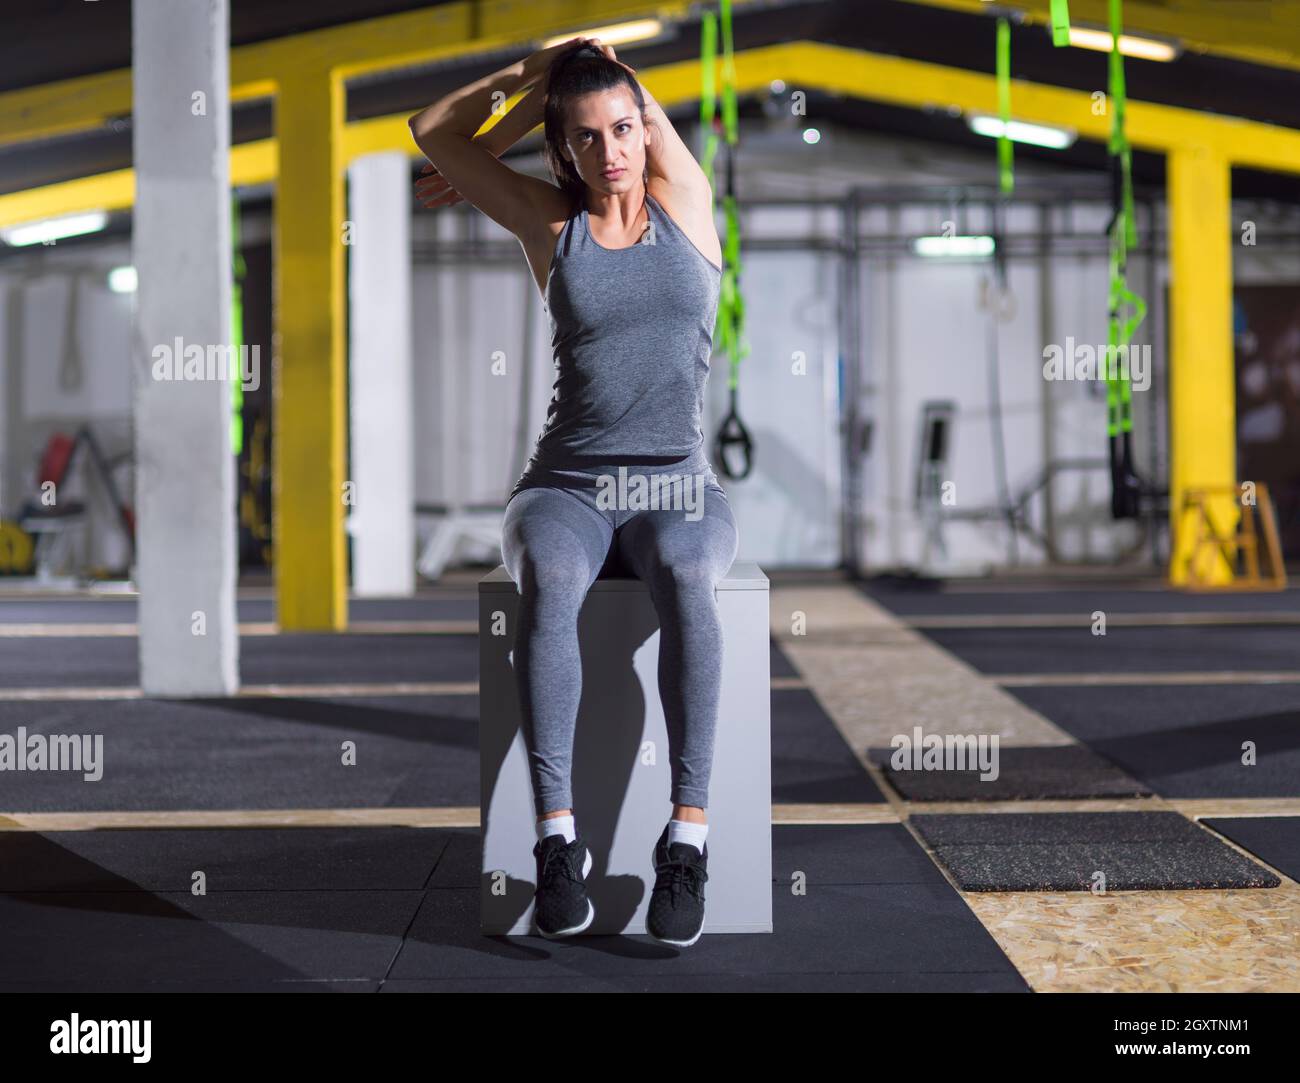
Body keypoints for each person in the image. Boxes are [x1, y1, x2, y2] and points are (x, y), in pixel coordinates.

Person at [409, 36, 738, 948]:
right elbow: (431, 129)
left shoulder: (689, 204)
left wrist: (582, 59)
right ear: (564, 148)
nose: (611, 150)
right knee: (551, 582)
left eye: (624, 128)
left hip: (676, 486)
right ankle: (556, 841)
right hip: (569, 484)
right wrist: (525, 73)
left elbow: (627, 94)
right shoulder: (549, 226)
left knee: (687, 580)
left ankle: (688, 837)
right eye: (586, 138)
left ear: (645, 126)